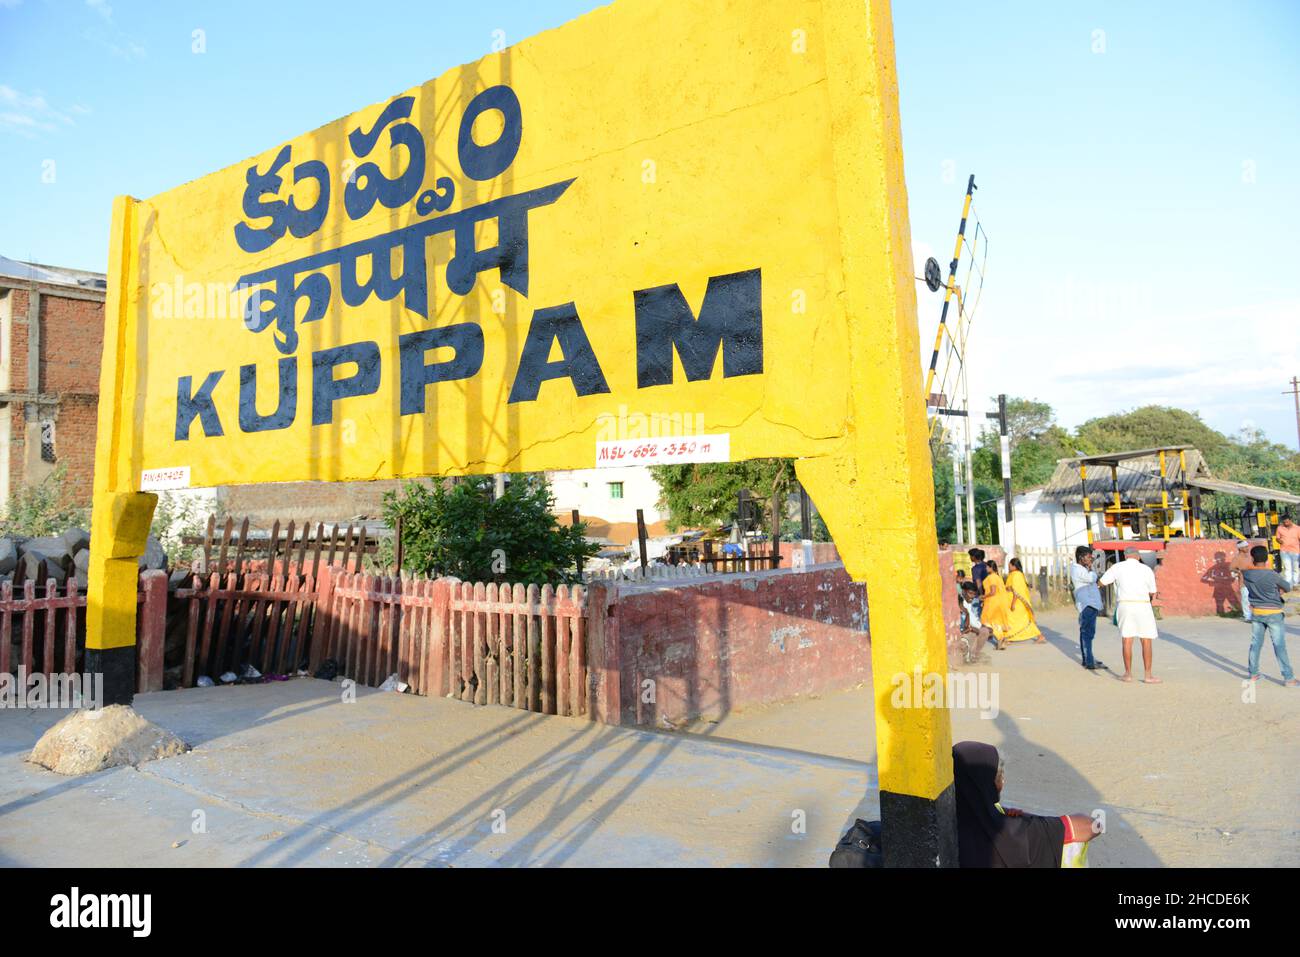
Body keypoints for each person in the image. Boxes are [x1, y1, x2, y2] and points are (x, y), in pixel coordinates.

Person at [952, 741, 1100, 868]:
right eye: (999, 775)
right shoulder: (1016, 833)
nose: (1002, 781)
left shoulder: (944, 824)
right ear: (985, 784)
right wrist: (1028, 818)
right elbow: (1091, 826)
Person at [1099, 546, 1161, 684]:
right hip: (1143, 605)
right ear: (1138, 556)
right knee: (1146, 640)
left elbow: (1102, 582)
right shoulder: (1146, 569)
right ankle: (1148, 675)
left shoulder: (1117, 567)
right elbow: (1152, 592)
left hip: (1125, 604)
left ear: (1125, 556)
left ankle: (1128, 674)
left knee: (1127, 640)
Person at [1240, 544, 1297, 686]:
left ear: (1252, 558)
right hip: (1274, 612)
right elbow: (1287, 587)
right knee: (1279, 645)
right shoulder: (1272, 574)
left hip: (1257, 612)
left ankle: (1253, 674)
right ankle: (1288, 678)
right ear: (1266, 558)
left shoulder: (1246, 574)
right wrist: (1278, 592)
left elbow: (1247, 580)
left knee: (1255, 644)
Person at [1070, 545, 1106, 671]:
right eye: (1088, 556)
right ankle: (1089, 662)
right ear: (1081, 557)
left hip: (1090, 603)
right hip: (1087, 604)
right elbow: (1092, 578)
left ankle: (1088, 659)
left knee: (1087, 632)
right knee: (1087, 633)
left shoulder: (1081, 568)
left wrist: (1089, 568)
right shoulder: (1077, 569)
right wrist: (1091, 569)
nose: (1090, 558)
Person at [1003, 557, 1045, 644]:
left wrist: (1013, 603)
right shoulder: (1013, 574)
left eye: (1010, 566)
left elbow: (1016, 591)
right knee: (1011, 620)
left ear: (1014, 566)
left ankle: (1040, 636)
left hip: (1017, 602)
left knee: (1023, 621)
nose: (1009, 567)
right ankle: (1009, 638)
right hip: (1011, 601)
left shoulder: (1016, 575)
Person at [959, 581, 997, 659]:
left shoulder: (968, 602)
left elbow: (972, 620)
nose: (972, 596)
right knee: (983, 632)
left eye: (974, 594)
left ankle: (973, 655)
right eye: (970, 593)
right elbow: (966, 626)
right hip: (960, 634)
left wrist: (981, 627)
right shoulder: (960, 602)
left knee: (985, 630)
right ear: (963, 591)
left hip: (966, 630)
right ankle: (971, 655)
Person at [979, 558, 1011, 642]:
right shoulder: (998, 577)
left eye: (987, 567)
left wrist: (983, 596)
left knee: (989, 621)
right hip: (999, 602)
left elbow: (993, 592)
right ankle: (1002, 638)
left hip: (993, 602)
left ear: (990, 568)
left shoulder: (992, 577)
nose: (986, 569)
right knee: (996, 621)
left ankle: (1000, 639)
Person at [1276, 516, 1300, 587]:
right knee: (1287, 568)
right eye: (1284, 522)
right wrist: (1279, 540)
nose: (1285, 523)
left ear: (1290, 520)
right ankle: (1288, 585)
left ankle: (1295, 584)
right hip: (1284, 551)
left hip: (1295, 551)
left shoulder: (1297, 528)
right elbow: (1277, 538)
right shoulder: (1280, 528)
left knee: (1295, 568)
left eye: (1286, 522)